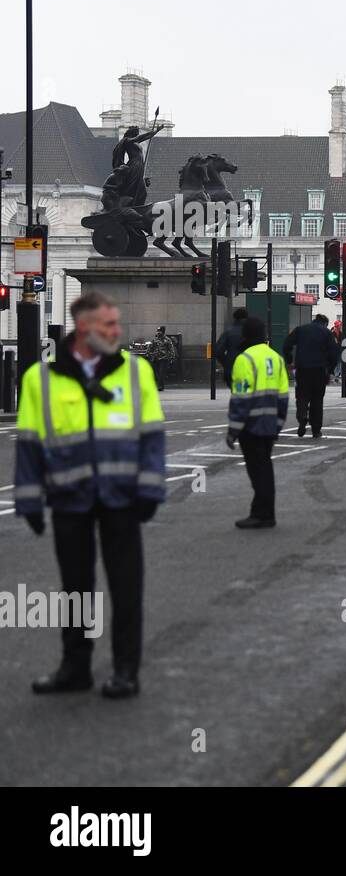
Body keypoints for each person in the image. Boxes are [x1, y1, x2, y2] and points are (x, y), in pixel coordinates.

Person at [15, 292, 166, 699]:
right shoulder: (39, 379)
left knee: (126, 589)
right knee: (76, 590)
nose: (118, 332)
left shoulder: (135, 372)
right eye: (109, 326)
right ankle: (75, 668)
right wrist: (29, 500)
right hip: (69, 495)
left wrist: (151, 487)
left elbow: (152, 437)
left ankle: (125, 671)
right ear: (84, 329)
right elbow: (29, 442)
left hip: (122, 497)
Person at [226, 317, 289, 530]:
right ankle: (262, 511)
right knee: (265, 466)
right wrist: (279, 423)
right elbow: (283, 396)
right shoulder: (276, 358)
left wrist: (233, 430)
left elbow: (240, 398)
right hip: (270, 423)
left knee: (257, 470)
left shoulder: (245, 359)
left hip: (250, 425)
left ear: (246, 334)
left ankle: (263, 514)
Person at [283, 314, 341, 438]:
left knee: (302, 396)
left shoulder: (301, 329)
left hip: (302, 369)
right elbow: (334, 354)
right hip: (319, 370)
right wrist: (330, 370)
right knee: (317, 399)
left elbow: (286, 345)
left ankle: (302, 417)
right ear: (325, 323)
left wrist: (289, 361)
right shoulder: (326, 333)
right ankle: (316, 430)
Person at [215, 307, 249, 389]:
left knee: (237, 392)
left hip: (232, 367)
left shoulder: (228, 332)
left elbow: (218, 351)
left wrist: (226, 363)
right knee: (246, 394)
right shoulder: (251, 332)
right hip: (248, 368)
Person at [144, 325, 176, 391]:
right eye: (157, 331)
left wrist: (172, 357)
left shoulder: (167, 340)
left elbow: (171, 349)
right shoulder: (155, 340)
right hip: (155, 359)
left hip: (164, 359)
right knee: (156, 373)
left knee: (161, 373)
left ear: (163, 332)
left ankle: (160, 386)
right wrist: (147, 354)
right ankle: (159, 385)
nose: (158, 333)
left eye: (160, 331)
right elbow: (150, 348)